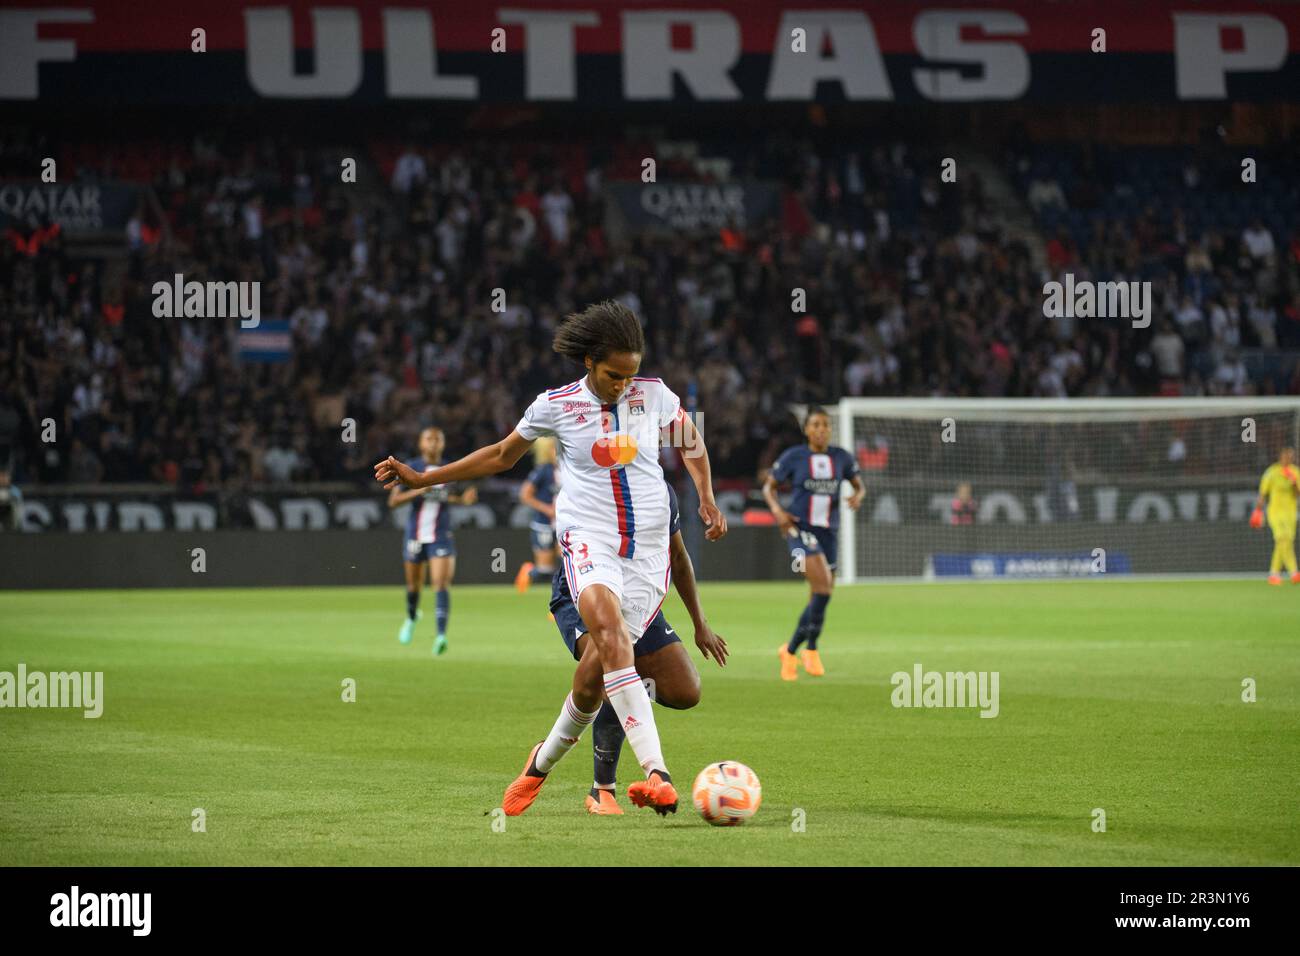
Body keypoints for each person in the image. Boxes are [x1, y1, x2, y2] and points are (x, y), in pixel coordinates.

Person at [375, 300, 726, 816]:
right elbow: (500, 455)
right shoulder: (556, 405)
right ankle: (657, 775)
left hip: (647, 556)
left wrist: (706, 495)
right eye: (613, 375)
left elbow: (690, 441)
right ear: (588, 362)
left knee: (614, 680)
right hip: (591, 541)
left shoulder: (652, 395)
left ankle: (540, 763)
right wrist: (426, 478)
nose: (623, 385)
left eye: (630, 375)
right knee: (610, 637)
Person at [549, 477, 727, 814]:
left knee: (684, 689)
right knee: (610, 665)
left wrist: (700, 624)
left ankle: (621, 690)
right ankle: (603, 789)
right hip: (585, 589)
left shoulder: (661, 492)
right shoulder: (594, 479)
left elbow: (677, 555)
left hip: (636, 598)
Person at [761, 407, 865, 681]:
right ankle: (812, 649)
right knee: (823, 588)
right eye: (816, 424)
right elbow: (768, 487)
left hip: (829, 532)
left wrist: (858, 495)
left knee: (820, 592)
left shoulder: (841, 457)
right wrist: (778, 512)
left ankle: (791, 649)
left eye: (826, 425)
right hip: (798, 529)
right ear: (807, 429)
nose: (822, 429)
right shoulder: (794, 457)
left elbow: (858, 484)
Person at [388, 426, 478, 655]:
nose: (433, 443)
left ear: (443, 444)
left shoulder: (450, 469)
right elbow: (394, 501)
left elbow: (451, 497)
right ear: (420, 443)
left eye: (438, 439)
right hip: (415, 534)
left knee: (440, 584)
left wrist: (464, 501)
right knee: (413, 585)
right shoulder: (412, 467)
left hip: (440, 535)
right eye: (429, 438)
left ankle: (440, 635)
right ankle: (411, 616)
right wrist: (419, 487)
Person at [514, 436, 559, 593]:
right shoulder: (544, 470)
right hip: (544, 524)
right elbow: (525, 495)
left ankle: (564, 605)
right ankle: (529, 571)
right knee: (545, 571)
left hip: (565, 524)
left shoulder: (572, 471)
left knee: (571, 564)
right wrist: (547, 509)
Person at [1249, 446, 1299, 585]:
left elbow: (1298, 493)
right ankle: (1294, 571)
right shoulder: (1271, 472)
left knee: (1285, 541)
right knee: (1282, 538)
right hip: (1275, 512)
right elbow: (1263, 494)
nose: (1289, 458)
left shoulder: (1295, 472)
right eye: (1287, 456)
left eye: (1292, 456)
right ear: (1281, 456)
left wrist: (1294, 482)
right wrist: (1258, 511)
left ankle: (1274, 574)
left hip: (1290, 513)